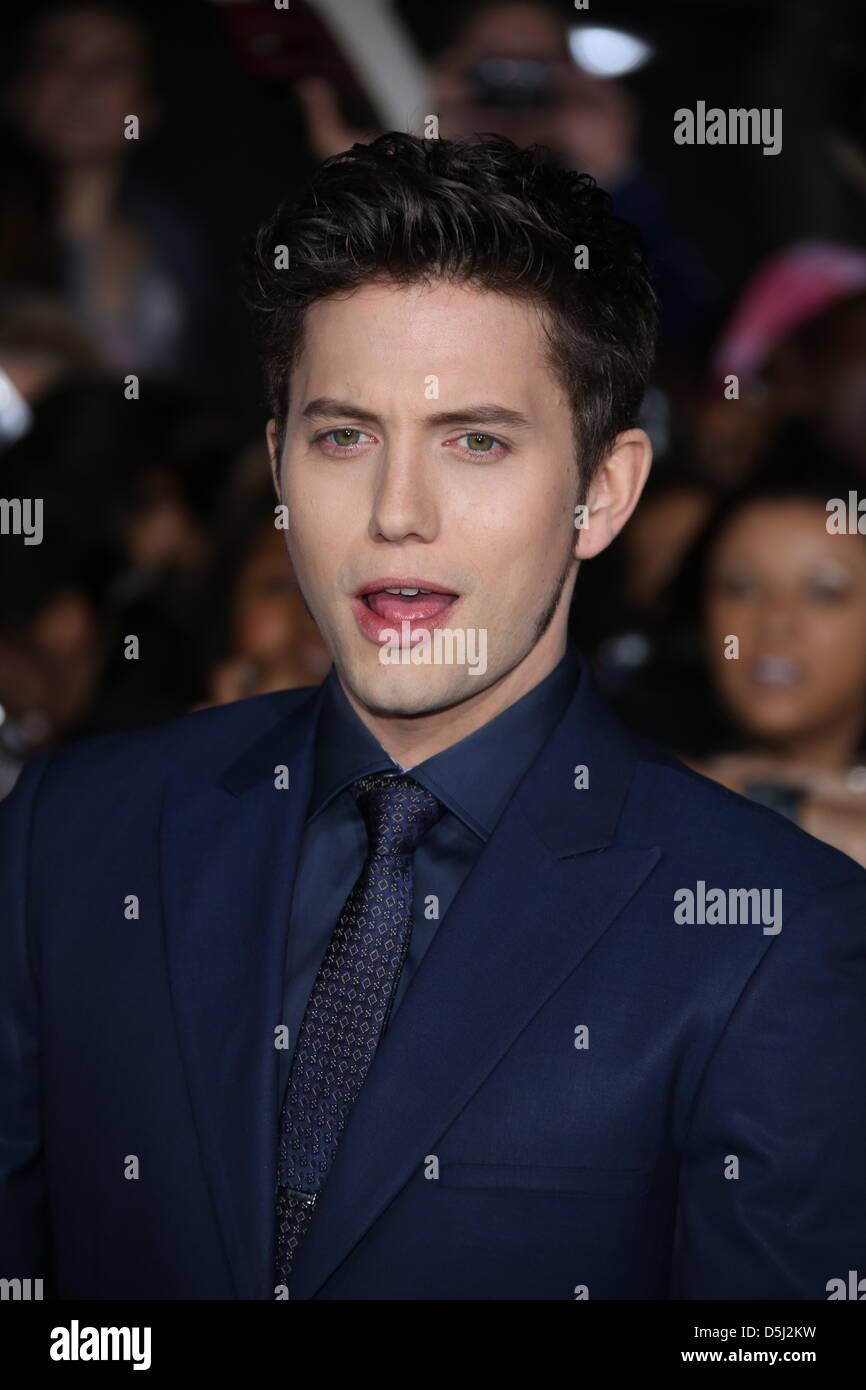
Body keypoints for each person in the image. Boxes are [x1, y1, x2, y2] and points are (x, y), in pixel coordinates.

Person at [1, 132, 864, 1302]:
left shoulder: (772, 933)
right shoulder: (72, 834)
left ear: (599, 493)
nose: (395, 512)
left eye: (475, 441)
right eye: (343, 435)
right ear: (277, 465)